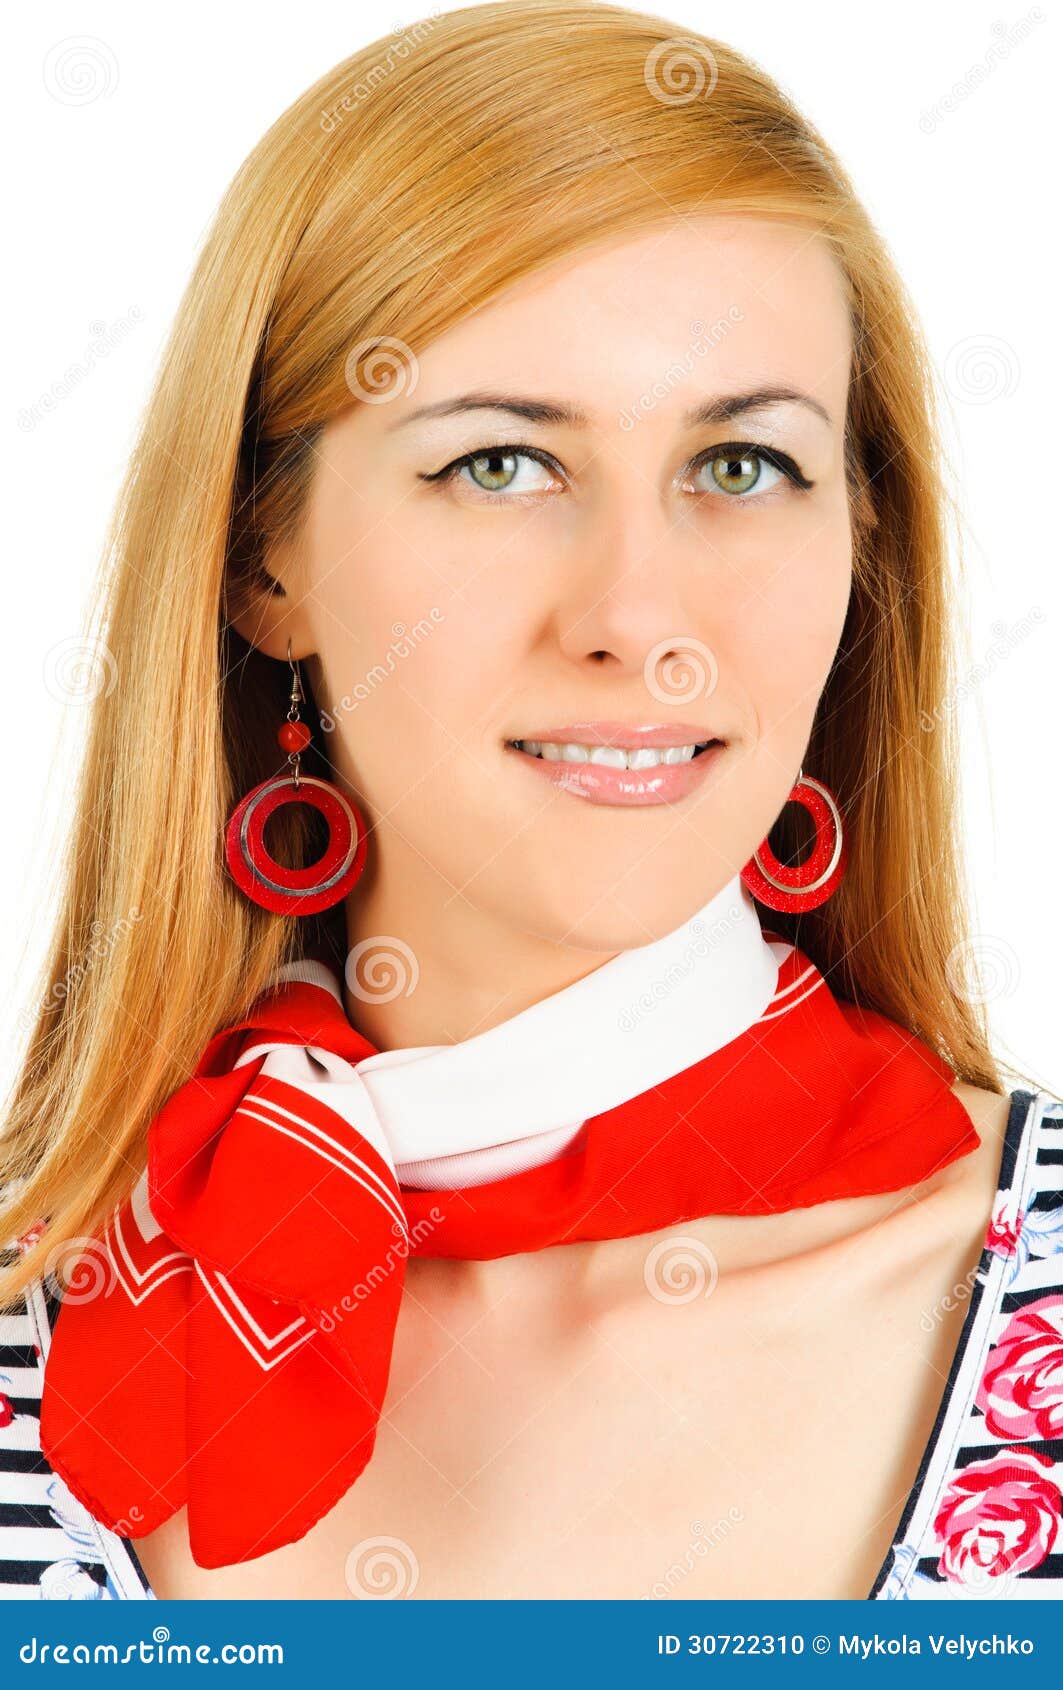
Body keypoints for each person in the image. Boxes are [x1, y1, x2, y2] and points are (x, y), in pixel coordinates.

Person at [2, 1, 1060, 1601]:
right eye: (501, 463)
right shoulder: (50, 1305)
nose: (639, 617)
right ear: (259, 559)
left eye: (742, 465)